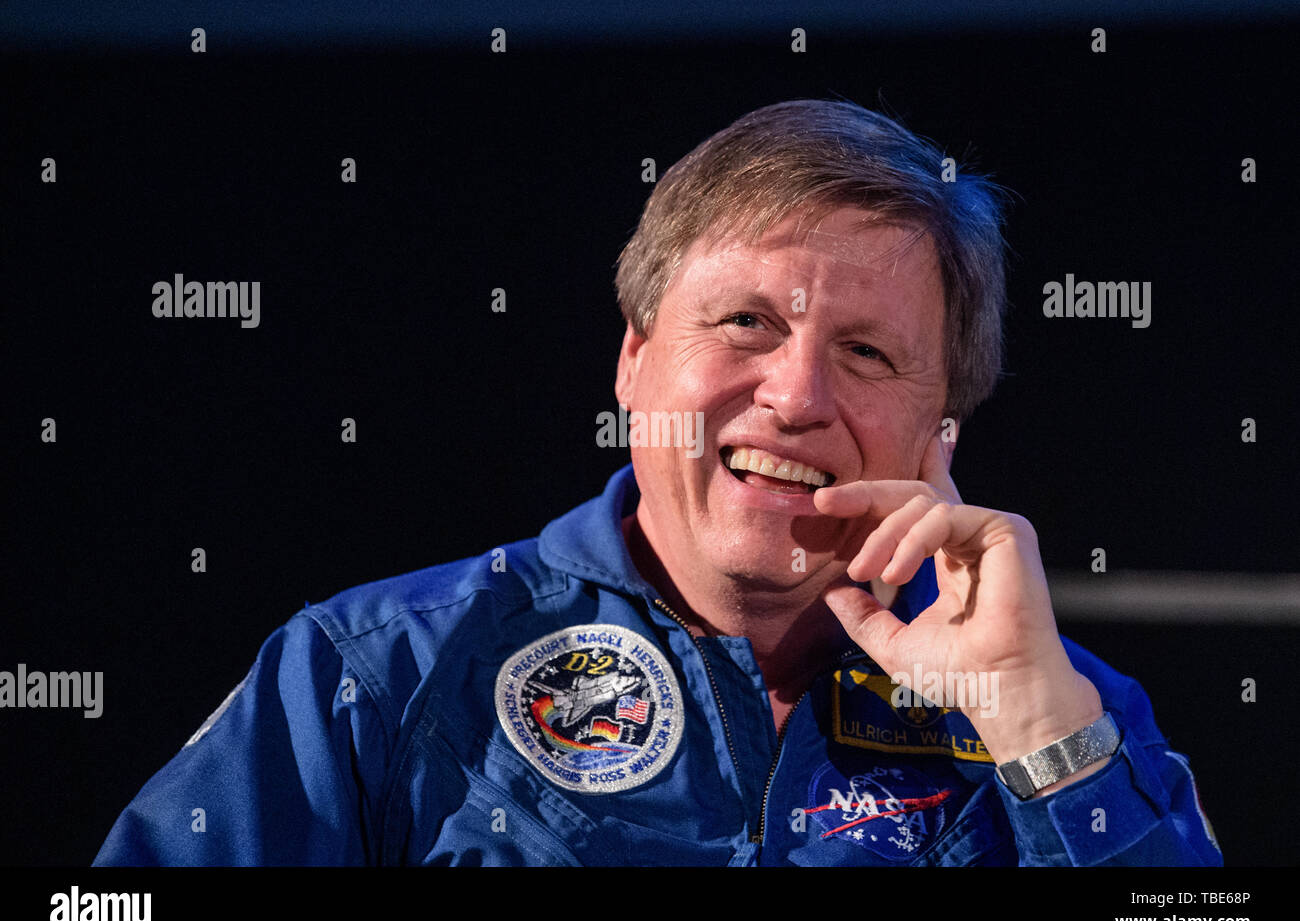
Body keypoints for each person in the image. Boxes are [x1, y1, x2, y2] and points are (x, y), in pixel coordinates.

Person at [94, 99, 1222, 866]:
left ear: (942, 426)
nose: (793, 394)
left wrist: (1036, 727)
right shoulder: (374, 670)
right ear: (635, 361)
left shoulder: (1070, 713)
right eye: (745, 322)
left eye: (868, 353)